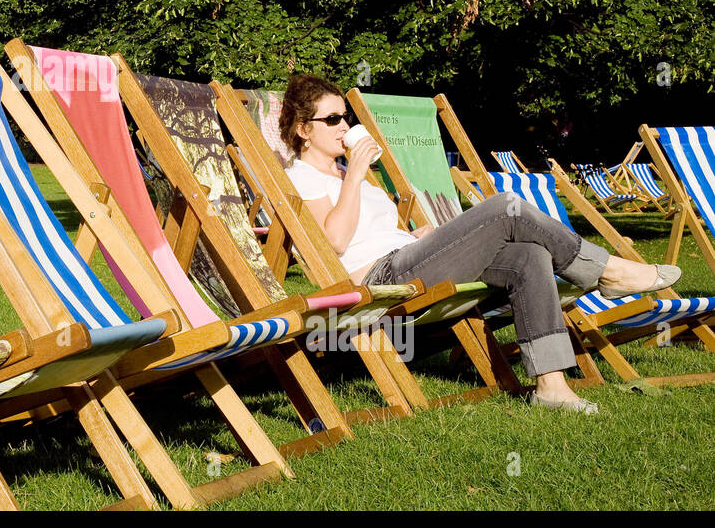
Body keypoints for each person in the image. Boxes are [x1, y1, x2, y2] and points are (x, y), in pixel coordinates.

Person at [280, 73, 678, 415]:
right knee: (507, 207)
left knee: (528, 255)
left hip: (407, 257)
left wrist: (419, 235)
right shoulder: (300, 179)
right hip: (380, 281)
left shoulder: (349, 172)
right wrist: (356, 176)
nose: (343, 126)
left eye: (344, 117)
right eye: (331, 119)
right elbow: (333, 241)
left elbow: (379, 230)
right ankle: (607, 271)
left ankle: (552, 387)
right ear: (303, 129)